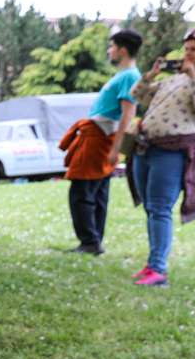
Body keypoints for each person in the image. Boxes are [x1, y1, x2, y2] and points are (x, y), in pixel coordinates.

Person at [126, 28, 195, 287]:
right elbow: (136, 95)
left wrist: (194, 75)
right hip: (145, 147)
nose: (188, 54)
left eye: (194, 49)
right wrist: (152, 74)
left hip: (172, 152)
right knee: (152, 208)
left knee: (161, 208)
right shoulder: (172, 79)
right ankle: (153, 263)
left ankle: (158, 271)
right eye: (186, 49)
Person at [57, 29, 143, 254]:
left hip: (100, 142)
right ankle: (93, 241)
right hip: (97, 140)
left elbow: (128, 113)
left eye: (112, 46)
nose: (109, 51)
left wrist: (117, 149)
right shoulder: (125, 75)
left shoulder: (130, 76)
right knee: (95, 192)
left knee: (82, 193)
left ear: (122, 50)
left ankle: (90, 242)